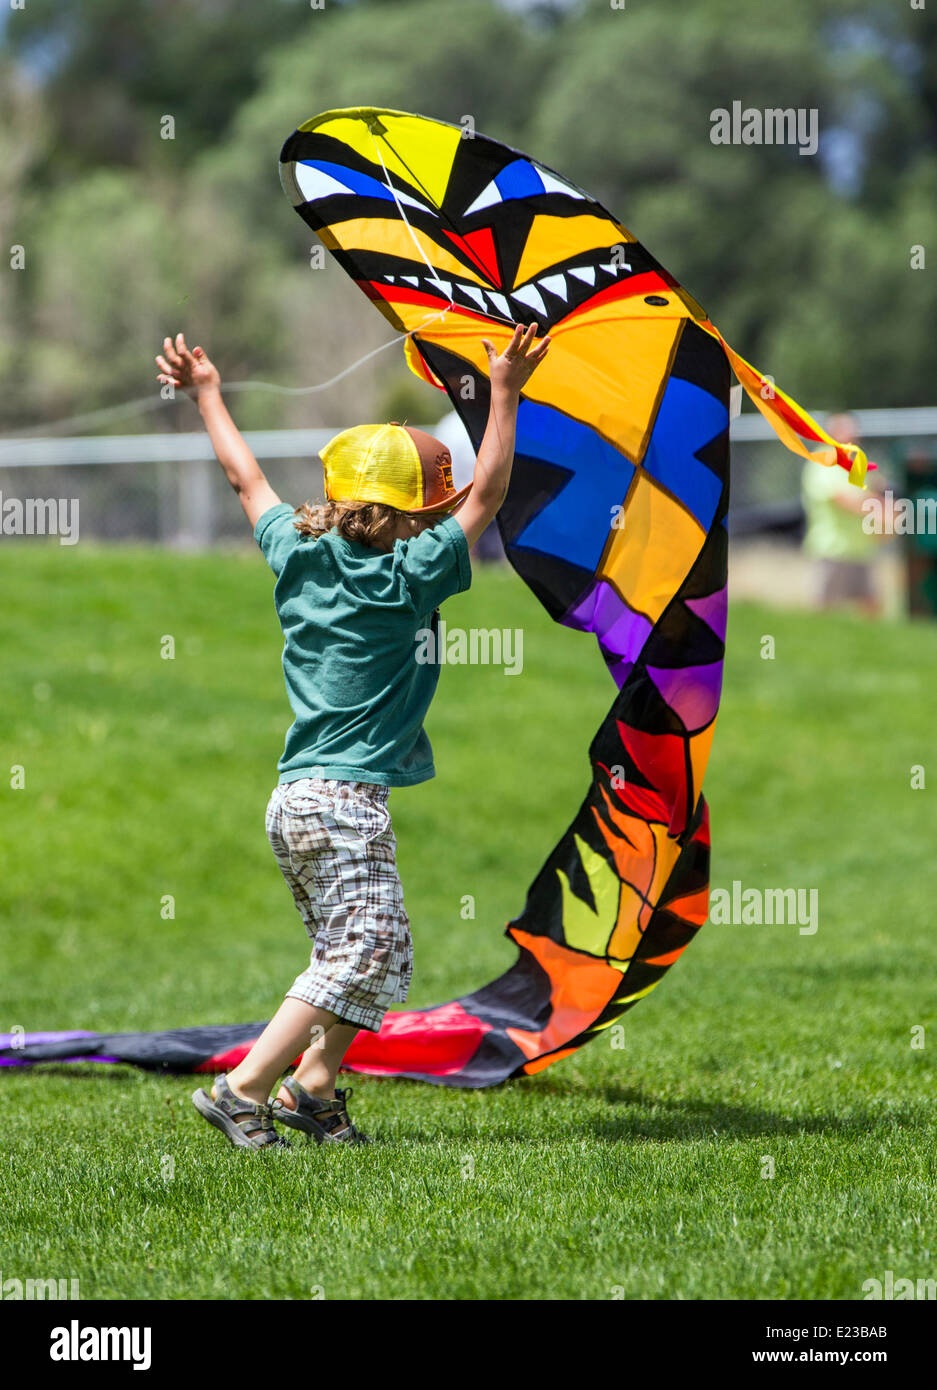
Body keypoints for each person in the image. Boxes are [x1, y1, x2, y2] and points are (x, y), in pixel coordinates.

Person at [154, 322, 549, 1148]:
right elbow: (487, 495)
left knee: (379, 950)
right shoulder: (409, 578)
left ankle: (316, 1088)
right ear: (412, 515)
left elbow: (243, 477)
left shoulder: (295, 556)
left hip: (294, 799)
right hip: (341, 802)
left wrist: (207, 392)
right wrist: (504, 391)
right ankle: (244, 1088)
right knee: (360, 952)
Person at [801, 411, 886, 616]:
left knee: (872, 608)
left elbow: (875, 492)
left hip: (860, 550)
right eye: (847, 428)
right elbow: (845, 500)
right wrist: (882, 511)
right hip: (833, 550)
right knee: (825, 612)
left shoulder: (856, 463)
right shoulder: (824, 461)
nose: (854, 433)